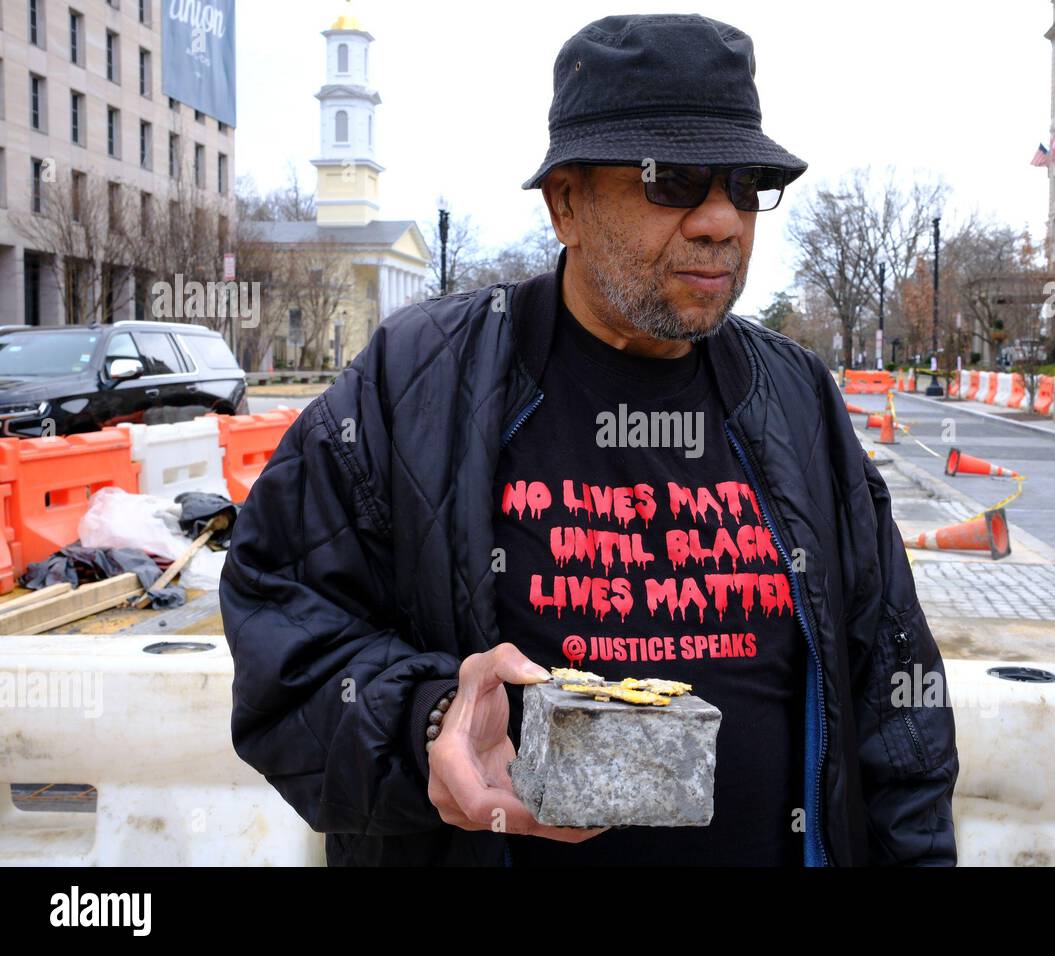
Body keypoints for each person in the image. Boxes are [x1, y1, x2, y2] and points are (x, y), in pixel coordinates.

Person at [221, 12, 958, 867]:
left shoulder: (796, 401)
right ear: (565, 202)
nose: (722, 219)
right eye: (673, 180)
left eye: (745, 183)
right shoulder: (416, 384)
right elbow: (285, 636)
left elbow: (897, 708)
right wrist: (428, 722)